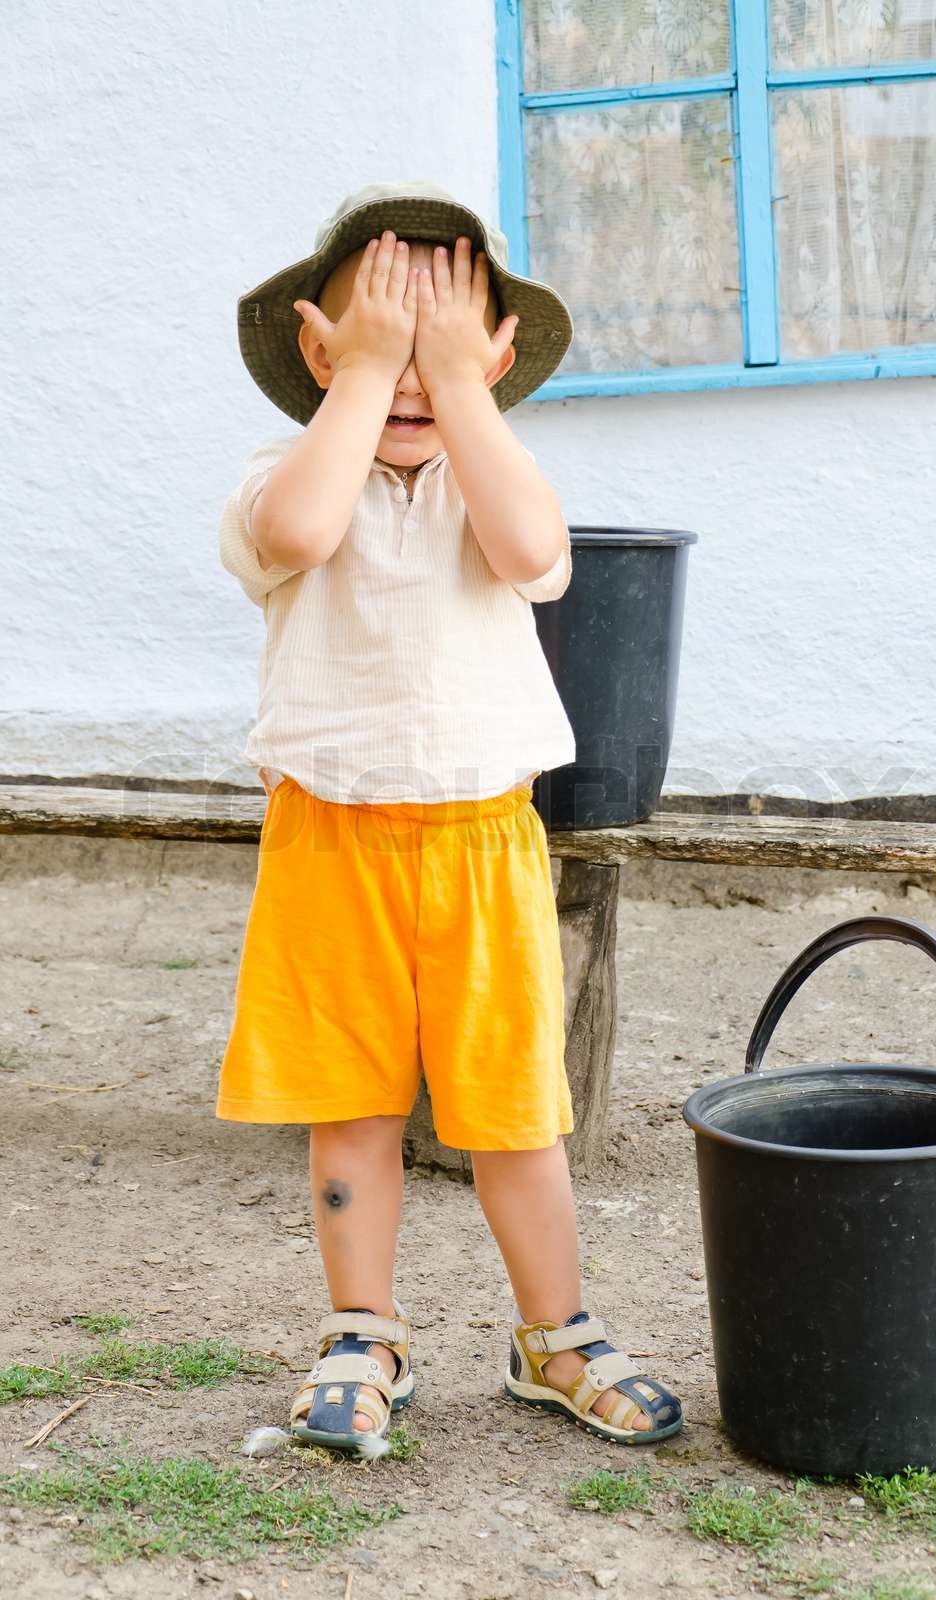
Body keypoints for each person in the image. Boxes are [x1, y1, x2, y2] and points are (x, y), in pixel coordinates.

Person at [216, 181, 683, 1455]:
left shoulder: (495, 479)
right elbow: (300, 528)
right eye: (376, 338)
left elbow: (535, 553)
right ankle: (361, 1329)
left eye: (443, 346)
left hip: (481, 841)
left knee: (513, 1107)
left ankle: (556, 1335)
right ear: (318, 348)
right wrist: (370, 373)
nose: (410, 374)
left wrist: (458, 386)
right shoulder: (281, 476)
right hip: (330, 840)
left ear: (496, 355)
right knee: (350, 1104)